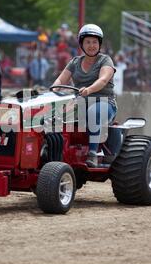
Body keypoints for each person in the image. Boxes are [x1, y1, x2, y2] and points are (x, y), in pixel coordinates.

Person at [51, 24, 118, 167]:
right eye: (87, 42)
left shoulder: (105, 60)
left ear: (99, 43)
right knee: (55, 113)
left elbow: (103, 80)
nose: (91, 45)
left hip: (104, 103)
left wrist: (89, 90)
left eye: (94, 42)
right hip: (80, 102)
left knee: (93, 112)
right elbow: (60, 80)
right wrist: (53, 90)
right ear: (81, 43)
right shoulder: (75, 62)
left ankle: (92, 153)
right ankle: (56, 150)